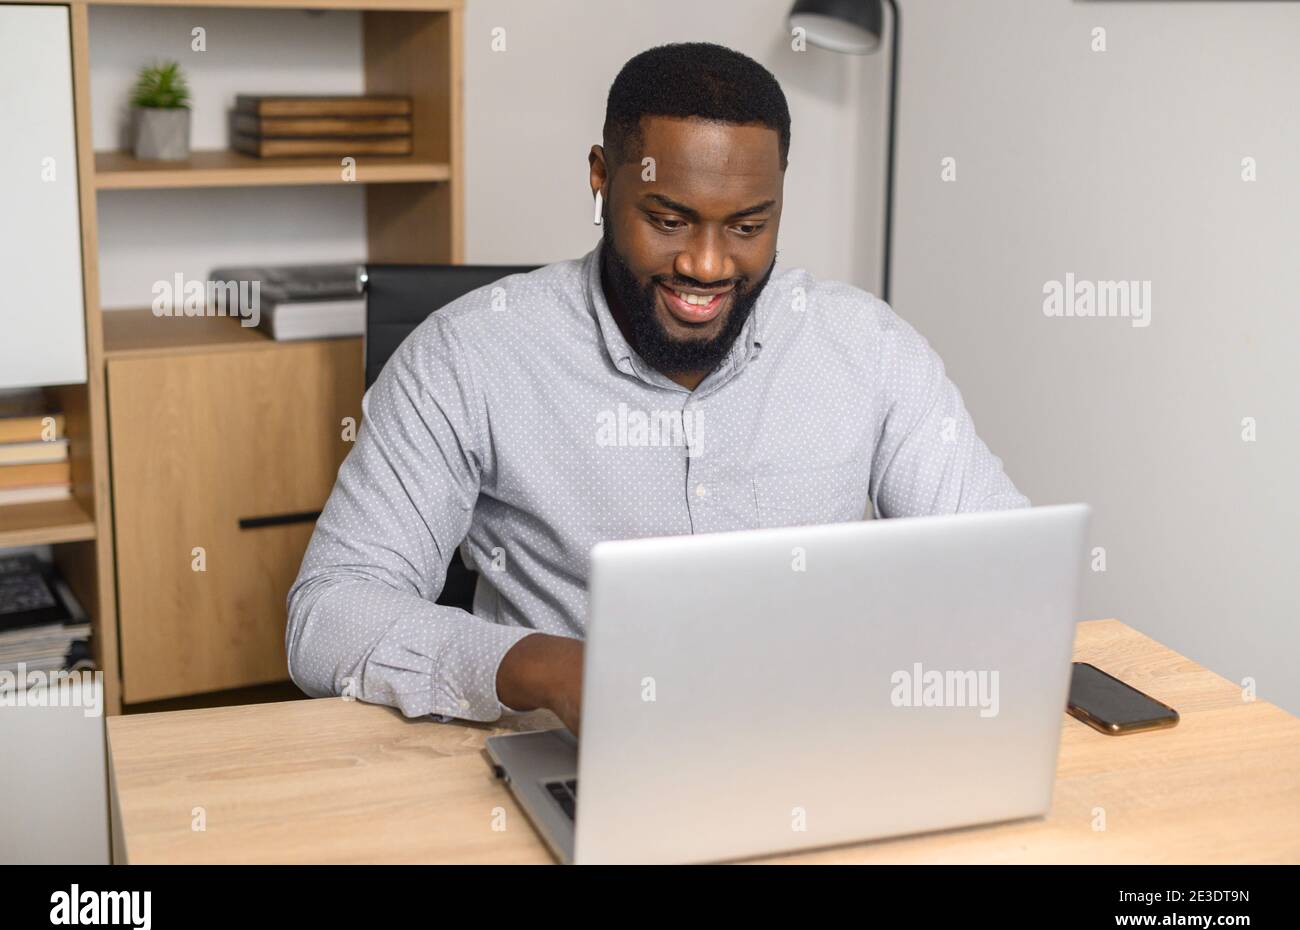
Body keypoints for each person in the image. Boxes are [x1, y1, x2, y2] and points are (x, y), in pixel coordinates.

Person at [286, 42, 1029, 736]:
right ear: (602, 178)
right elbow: (329, 613)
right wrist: (543, 668)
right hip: (574, 759)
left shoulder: (868, 349)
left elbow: (1007, 569)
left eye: (747, 226)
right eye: (669, 221)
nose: (707, 266)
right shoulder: (467, 356)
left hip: (820, 746)